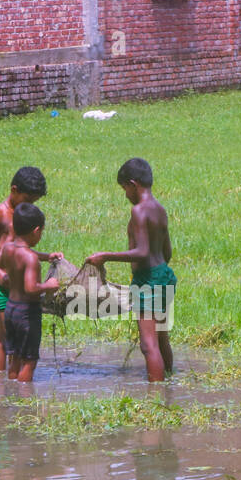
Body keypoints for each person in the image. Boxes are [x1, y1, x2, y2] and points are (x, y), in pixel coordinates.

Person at [86, 158, 176, 381]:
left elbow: (142, 252)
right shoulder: (160, 209)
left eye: (124, 188)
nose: (125, 194)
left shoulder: (138, 211)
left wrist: (105, 256)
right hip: (164, 276)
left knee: (148, 344)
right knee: (162, 337)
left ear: (133, 184)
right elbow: (167, 252)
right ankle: (169, 383)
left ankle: (157, 394)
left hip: (148, 280)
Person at [0, 166, 61, 373]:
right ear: (14, 190)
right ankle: (0, 385)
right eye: (28, 199)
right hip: (0, 283)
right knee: (3, 339)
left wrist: (47, 257)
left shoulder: (22, 215)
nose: (30, 205)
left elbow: (21, 250)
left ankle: (12, 385)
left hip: (20, 285)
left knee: (17, 340)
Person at [0, 202, 60, 382]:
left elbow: (1, 262)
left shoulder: (7, 248)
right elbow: (31, 289)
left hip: (10, 310)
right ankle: (24, 402)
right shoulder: (31, 259)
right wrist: (49, 285)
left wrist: (46, 256)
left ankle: (11, 392)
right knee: (29, 360)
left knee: (15, 356)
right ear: (36, 230)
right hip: (27, 313)